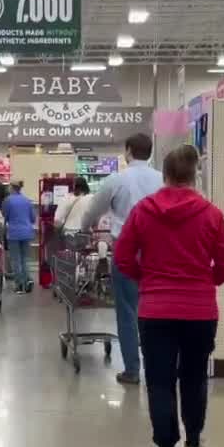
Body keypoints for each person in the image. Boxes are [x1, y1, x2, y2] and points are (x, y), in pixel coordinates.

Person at [113, 144, 224, 447]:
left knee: (160, 381)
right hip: (200, 310)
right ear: (195, 174)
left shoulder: (143, 212)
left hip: (155, 309)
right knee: (194, 377)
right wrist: (205, 282)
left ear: (165, 175)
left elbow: (123, 257)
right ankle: (194, 446)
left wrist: (147, 280)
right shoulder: (212, 214)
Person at [81, 133, 163, 385]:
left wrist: (85, 228)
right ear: (149, 152)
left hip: (126, 252)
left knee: (127, 311)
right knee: (156, 311)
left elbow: (93, 210)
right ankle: (158, 368)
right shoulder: (162, 179)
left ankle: (131, 370)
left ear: (128, 151)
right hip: (158, 253)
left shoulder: (117, 180)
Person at [1, 181, 36, 292]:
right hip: (27, 232)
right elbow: (33, 218)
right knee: (25, 258)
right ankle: (28, 280)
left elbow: (4, 217)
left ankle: (20, 285)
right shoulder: (27, 200)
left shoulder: (8, 200)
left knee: (16, 259)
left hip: (14, 233)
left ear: (12, 188)